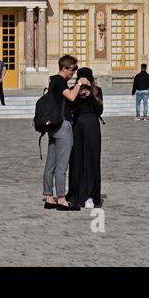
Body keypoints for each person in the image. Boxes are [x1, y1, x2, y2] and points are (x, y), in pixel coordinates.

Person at [42, 54, 86, 211]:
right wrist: (80, 83)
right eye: (72, 69)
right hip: (62, 126)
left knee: (50, 164)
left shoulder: (54, 80)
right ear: (64, 67)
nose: (73, 73)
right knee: (61, 165)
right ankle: (61, 199)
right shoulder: (61, 81)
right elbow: (71, 97)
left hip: (52, 127)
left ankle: (48, 196)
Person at [66, 67, 104, 209]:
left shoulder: (97, 90)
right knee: (77, 160)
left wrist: (91, 95)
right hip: (77, 126)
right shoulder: (74, 90)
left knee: (92, 159)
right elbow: (70, 108)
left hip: (92, 126)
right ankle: (77, 194)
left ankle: (91, 195)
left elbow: (99, 110)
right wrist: (78, 92)